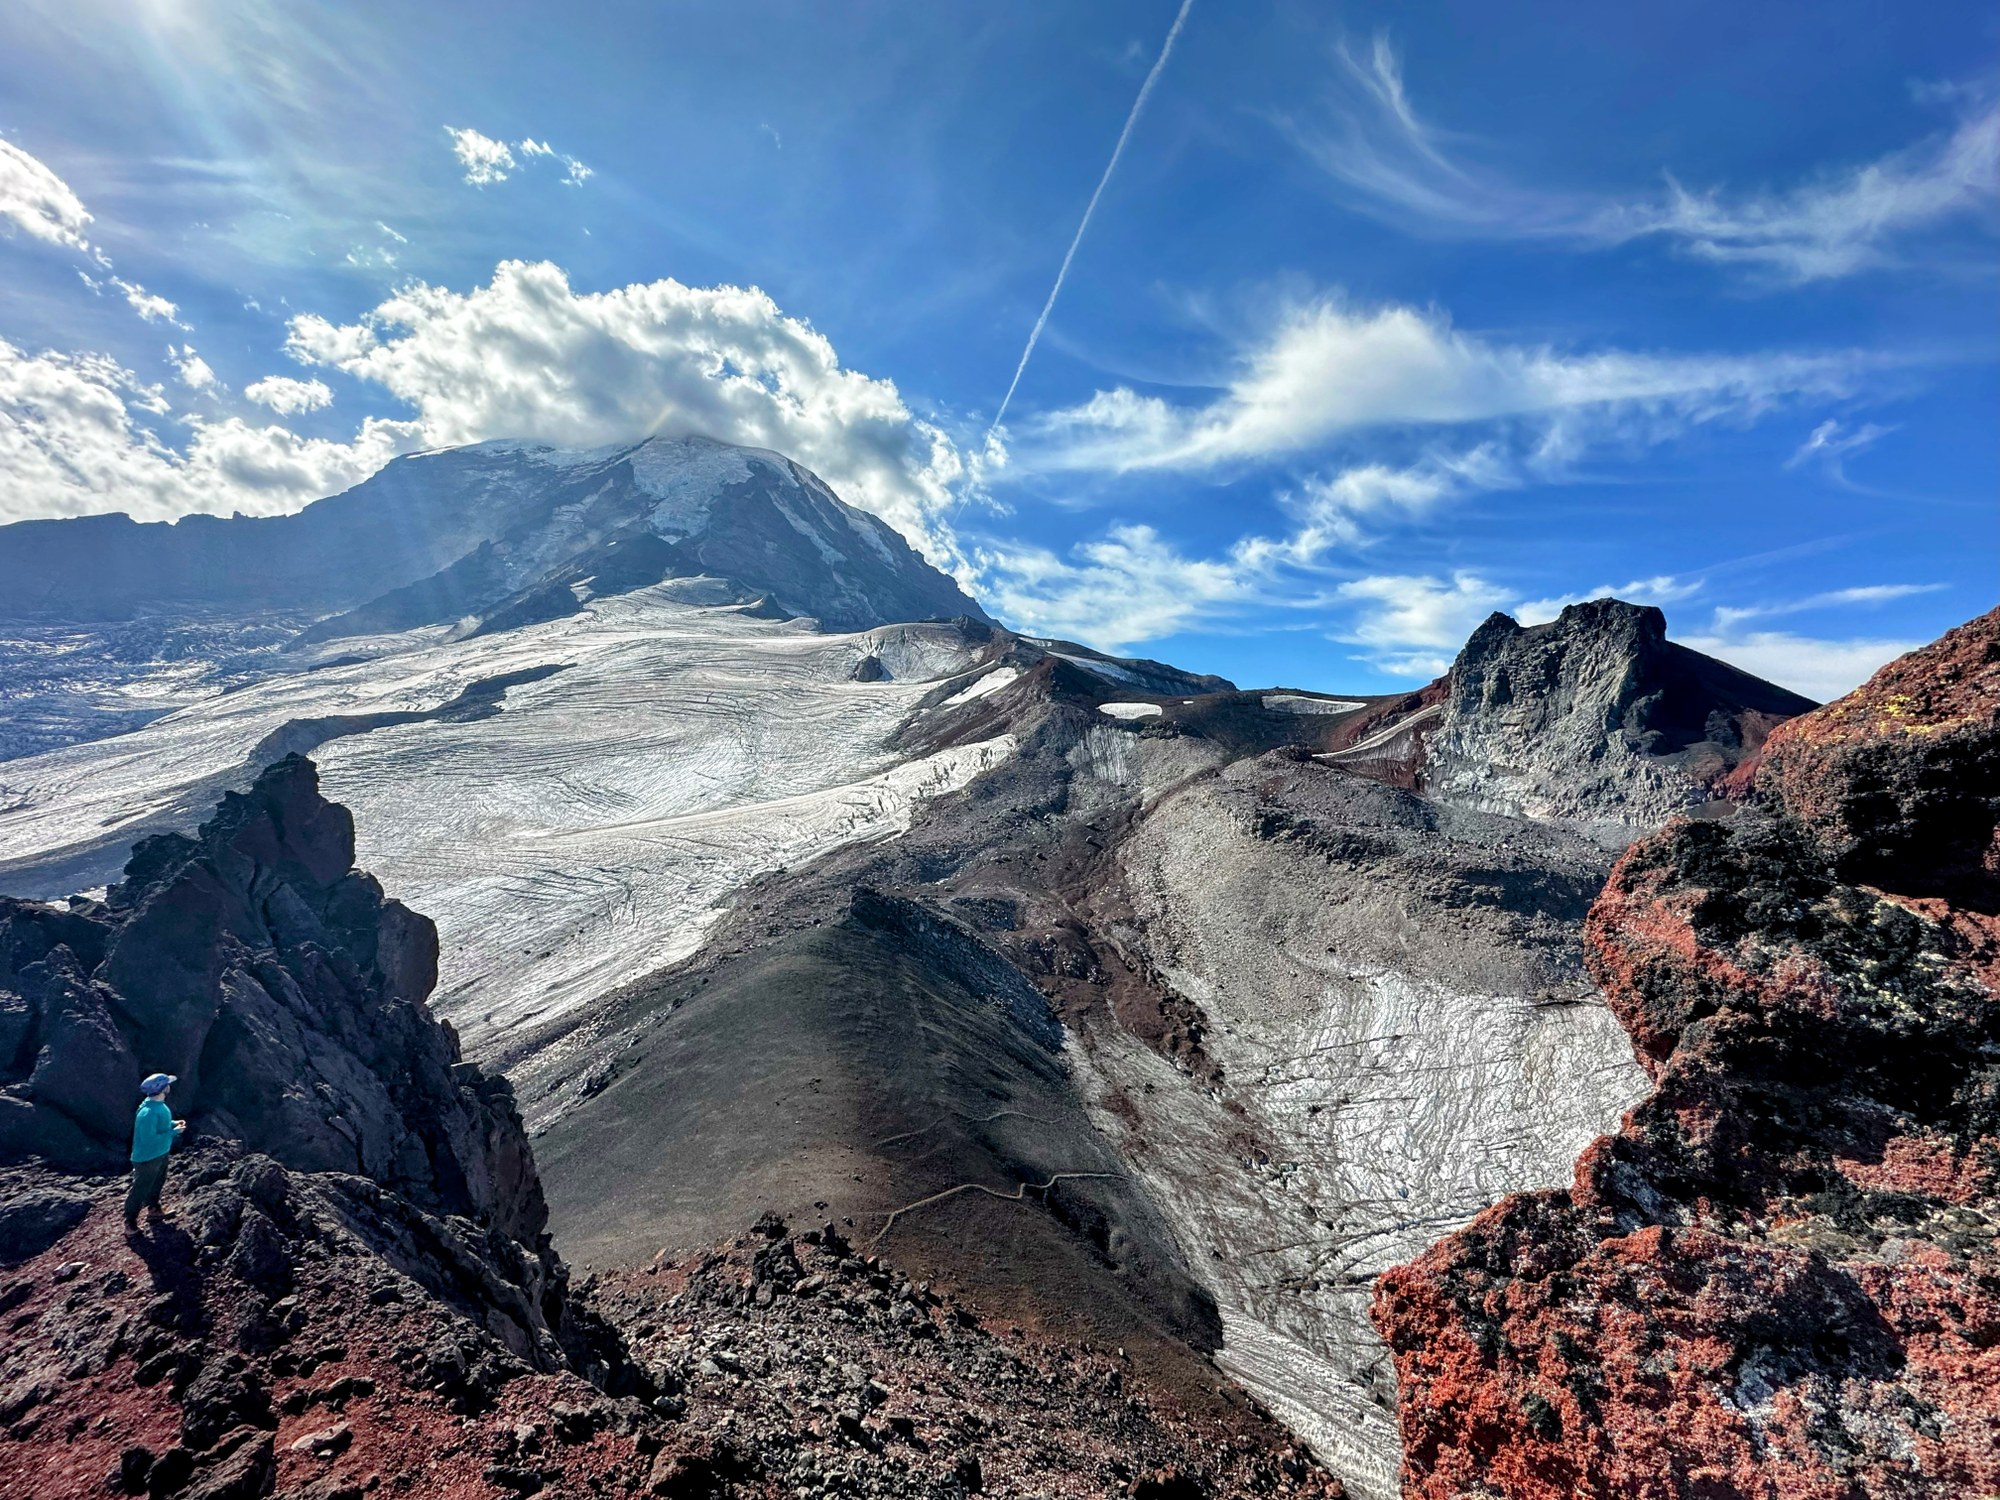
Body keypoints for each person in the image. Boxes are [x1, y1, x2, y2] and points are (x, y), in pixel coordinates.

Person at [126, 1073, 187, 1231]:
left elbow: (162, 1124)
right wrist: (173, 1133)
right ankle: (130, 1223)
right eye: (167, 1084)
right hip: (147, 1158)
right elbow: (149, 1139)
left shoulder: (156, 1105)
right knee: (141, 1189)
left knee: (157, 1182)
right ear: (162, 1089)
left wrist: (173, 1124)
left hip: (160, 1153)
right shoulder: (148, 1113)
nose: (169, 1087)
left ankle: (154, 1210)